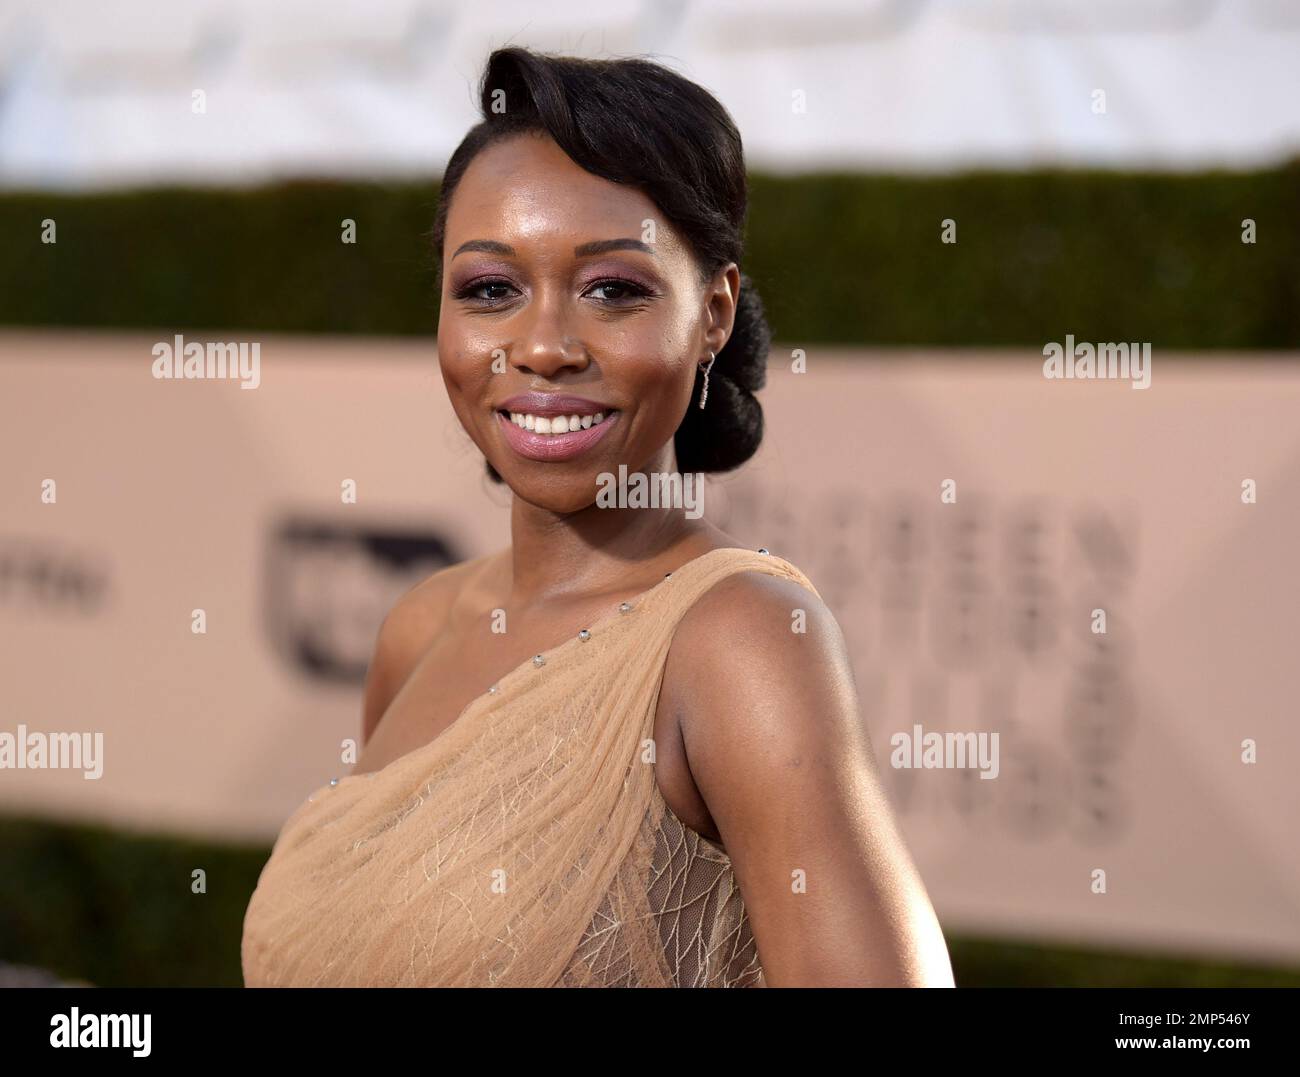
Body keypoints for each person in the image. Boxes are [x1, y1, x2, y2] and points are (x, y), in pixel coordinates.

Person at [242, 46, 953, 988]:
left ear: (713, 312)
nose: (541, 347)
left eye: (614, 289)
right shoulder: (418, 629)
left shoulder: (739, 639)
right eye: (490, 289)